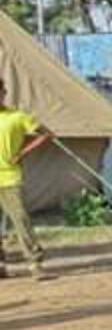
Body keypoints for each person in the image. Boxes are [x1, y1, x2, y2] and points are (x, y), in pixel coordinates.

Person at [0, 79, 53, 280]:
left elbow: (47, 134)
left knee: (20, 220)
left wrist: (22, 153)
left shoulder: (17, 117)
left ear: (3, 92)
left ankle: (35, 262)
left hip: (9, 177)